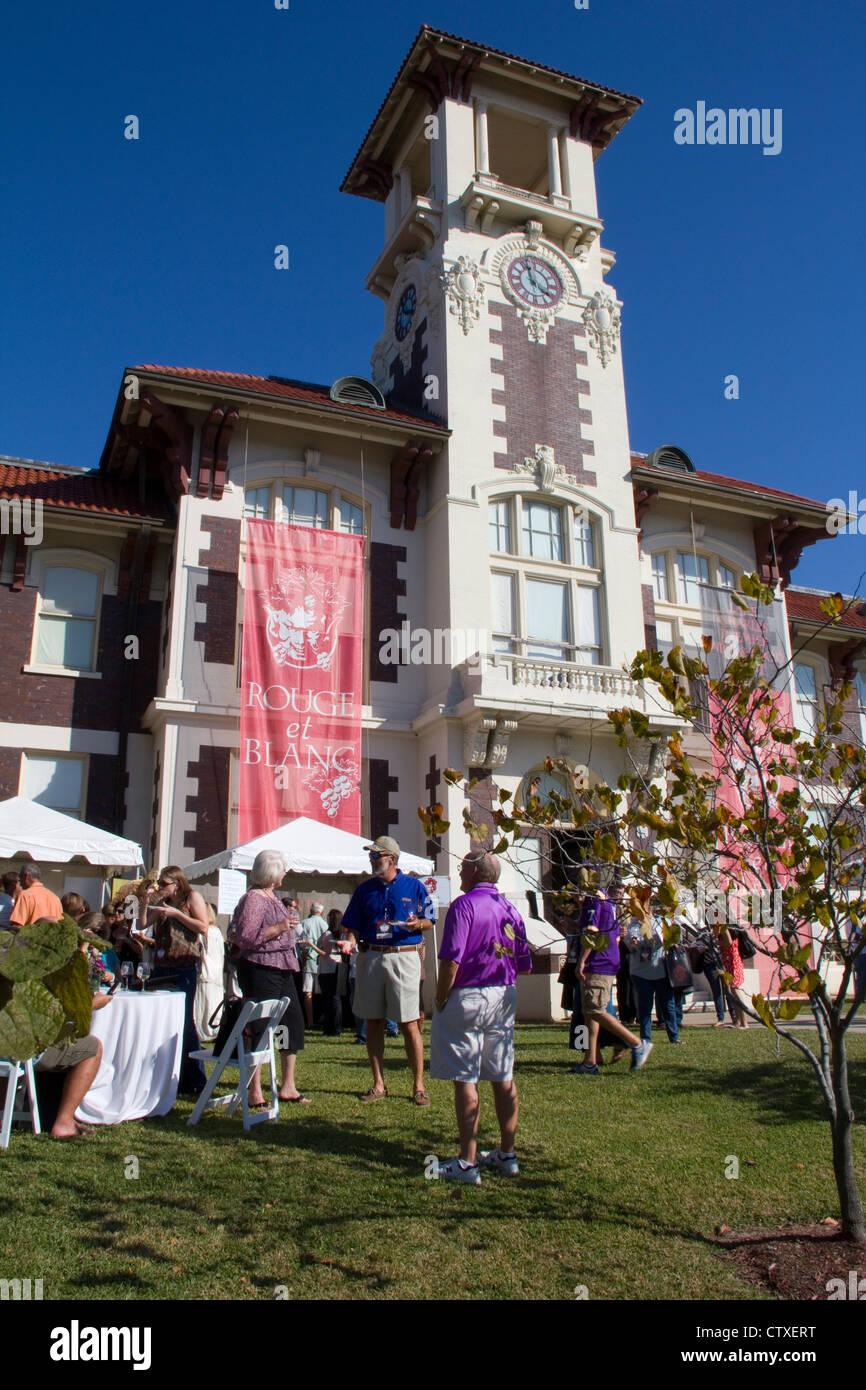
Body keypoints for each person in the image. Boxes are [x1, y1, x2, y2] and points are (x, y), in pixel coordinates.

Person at [430, 851, 532, 1183]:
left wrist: (441, 995)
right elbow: (524, 961)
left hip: (469, 995)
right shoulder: (509, 908)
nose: (459, 872)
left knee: (466, 1077)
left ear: (474, 872)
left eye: (462, 868)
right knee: (503, 1075)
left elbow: (450, 960)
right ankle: (508, 1152)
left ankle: (467, 1162)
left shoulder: (464, 905)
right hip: (503, 993)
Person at [341, 835, 435, 1104]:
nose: (371, 861)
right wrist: (349, 942)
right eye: (370, 856)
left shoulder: (414, 886)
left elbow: (430, 920)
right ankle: (378, 1084)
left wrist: (417, 925)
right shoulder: (364, 890)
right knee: (373, 1020)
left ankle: (418, 1086)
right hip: (371, 956)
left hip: (403, 956)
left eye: (375, 856)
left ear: (391, 859)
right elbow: (353, 924)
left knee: (408, 1023)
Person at [228, 851, 310, 1105]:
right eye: (283, 869)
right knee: (260, 1026)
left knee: (289, 1023)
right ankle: (254, 1090)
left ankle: (288, 1084)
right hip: (260, 968)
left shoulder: (270, 897)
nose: (285, 873)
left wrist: (287, 928)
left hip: (283, 968)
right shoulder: (253, 899)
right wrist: (280, 928)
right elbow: (246, 937)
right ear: (272, 872)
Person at [571, 889, 652, 1074]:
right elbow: (614, 934)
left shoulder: (594, 899)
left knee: (596, 1010)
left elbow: (591, 933)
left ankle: (637, 1044)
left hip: (598, 961)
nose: (576, 893)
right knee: (589, 1013)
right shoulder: (607, 902)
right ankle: (590, 1061)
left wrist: (582, 961)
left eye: (578, 887)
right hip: (606, 960)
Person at [146, 866, 209, 1092]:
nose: (160, 887)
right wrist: (145, 900)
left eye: (164, 884)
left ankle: (194, 1078)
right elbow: (143, 922)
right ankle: (166, 1075)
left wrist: (177, 915)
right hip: (162, 965)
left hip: (184, 964)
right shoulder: (162, 902)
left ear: (176, 883)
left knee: (184, 1021)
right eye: (159, 884)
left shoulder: (191, 898)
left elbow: (203, 926)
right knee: (162, 1021)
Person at [623, 910, 680, 1047]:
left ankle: (674, 1036)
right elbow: (629, 947)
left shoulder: (661, 922)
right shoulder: (633, 926)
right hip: (640, 972)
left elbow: (663, 940)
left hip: (660, 970)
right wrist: (632, 942)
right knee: (645, 1008)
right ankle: (646, 1039)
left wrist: (644, 940)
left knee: (668, 1006)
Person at [317, 910, 355, 1037]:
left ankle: (332, 1027)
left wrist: (311, 945)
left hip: (328, 968)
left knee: (330, 998)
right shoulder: (342, 934)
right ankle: (335, 1026)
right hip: (338, 967)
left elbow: (325, 954)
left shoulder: (328, 934)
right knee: (335, 998)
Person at [298, 900, 328, 1028]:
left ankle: (310, 1021)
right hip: (322, 960)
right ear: (321, 912)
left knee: (308, 992)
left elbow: (299, 942)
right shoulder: (325, 924)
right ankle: (322, 1019)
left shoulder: (304, 923)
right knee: (323, 992)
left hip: (308, 959)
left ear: (311, 911)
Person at [9, 862, 63, 927]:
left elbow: (17, 925)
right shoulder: (55, 898)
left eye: (20, 877)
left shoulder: (24, 895)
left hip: (29, 937)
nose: (19, 881)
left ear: (26, 876)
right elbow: (61, 925)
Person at [719, 926, 749, 1028]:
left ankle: (744, 1022)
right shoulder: (728, 927)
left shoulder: (723, 927)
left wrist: (715, 943)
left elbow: (728, 942)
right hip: (729, 960)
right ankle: (737, 1021)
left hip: (732, 960)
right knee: (732, 990)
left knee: (735, 990)